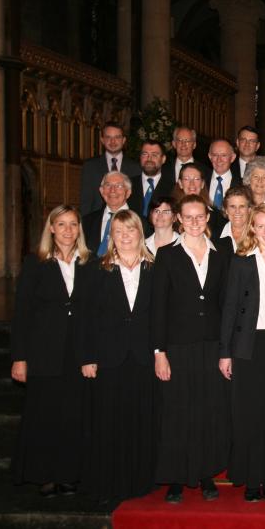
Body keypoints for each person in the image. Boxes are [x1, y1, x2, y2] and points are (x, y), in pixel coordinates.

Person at [151, 194, 231, 504]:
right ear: (179, 220)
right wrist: (159, 352)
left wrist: (226, 350)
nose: (195, 222)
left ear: (207, 219)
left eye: (201, 216)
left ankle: (205, 473)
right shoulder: (167, 256)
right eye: (189, 217)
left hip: (211, 346)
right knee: (178, 412)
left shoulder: (220, 253)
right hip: (178, 347)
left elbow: (225, 305)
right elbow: (157, 308)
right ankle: (176, 478)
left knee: (208, 410)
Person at [11, 205, 94, 497]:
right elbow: (22, 313)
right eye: (62, 224)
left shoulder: (88, 263)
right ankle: (44, 474)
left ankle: (69, 474)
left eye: (73, 224)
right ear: (51, 228)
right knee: (44, 416)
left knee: (73, 416)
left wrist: (90, 356)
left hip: (77, 354)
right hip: (44, 353)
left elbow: (94, 313)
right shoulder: (36, 263)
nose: (68, 230)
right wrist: (19, 357)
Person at [219, 204, 265, 502]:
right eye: (260, 225)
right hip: (246, 348)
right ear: (252, 228)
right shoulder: (240, 262)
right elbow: (228, 309)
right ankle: (252, 480)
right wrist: (225, 352)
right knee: (248, 415)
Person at [82, 210, 156, 502]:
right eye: (118, 232)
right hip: (107, 358)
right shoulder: (97, 269)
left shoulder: (154, 268)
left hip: (142, 357)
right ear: (111, 236)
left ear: (140, 233)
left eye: (131, 231)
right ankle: (108, 483)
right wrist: (87, 357)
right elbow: (85, 318)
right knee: (108, 422)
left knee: (139, 421)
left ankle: (139, 482)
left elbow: (158, 317)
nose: (125, 237)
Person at [80, 122, 139, 215]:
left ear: (123, 140)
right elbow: (86, 201)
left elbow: (137, 200)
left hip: (127, 219)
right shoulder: (90, 166)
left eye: (117, 137)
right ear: (102, 140)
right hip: (97, 221)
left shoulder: (136, 167)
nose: (113, 142)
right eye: (108, 137)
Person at [172, 163, 227, 238]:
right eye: (187, 179)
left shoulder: (216, 216)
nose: (192, 184)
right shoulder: (171, 213)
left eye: (196, 179)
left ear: (202, 184)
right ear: (180, 183)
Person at [83, 171, 132, 255]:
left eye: (119, 186)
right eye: (108, 185)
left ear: (128, 192)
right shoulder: (87, 221)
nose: (112, 190)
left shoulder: (141, 223)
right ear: (101, 191)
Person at [214, 186, 253, 254]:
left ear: (249, 209)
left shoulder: (258, 236)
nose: (237, 211)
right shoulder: (214, 238)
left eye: (242, 206)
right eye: (232, 206)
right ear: (226, 210)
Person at [207, 139, 242, 210]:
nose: (219, 160)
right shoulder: (201, 180)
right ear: (210, 157)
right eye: (215, 155)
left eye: (224, 155)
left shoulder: (242, 184)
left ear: (232, 158)